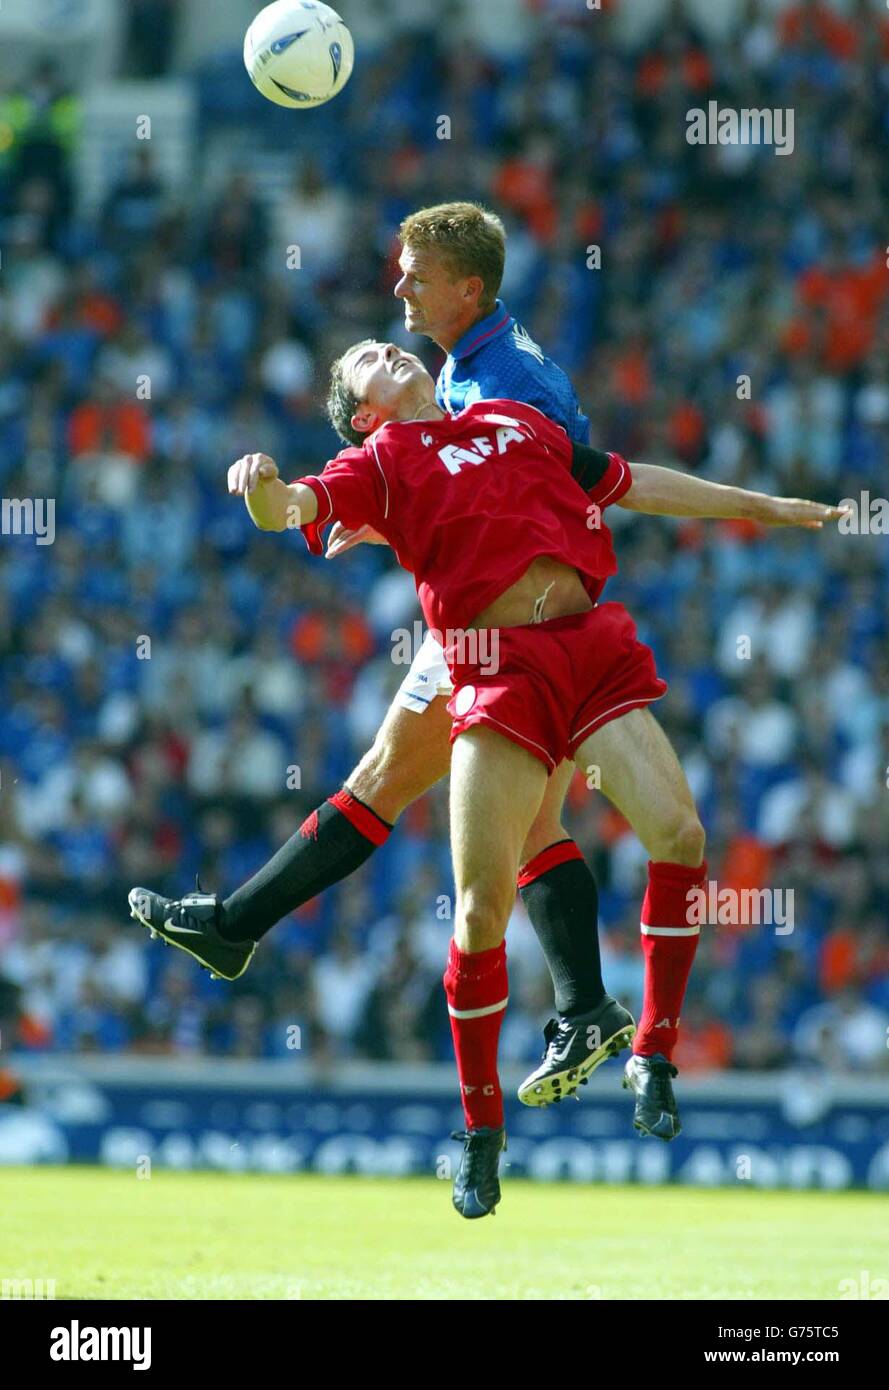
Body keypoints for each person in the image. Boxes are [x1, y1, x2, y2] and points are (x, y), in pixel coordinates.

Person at [129, 341, 844, 1216]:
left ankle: (650, 1054)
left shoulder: (510, 420)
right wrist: (260, 486)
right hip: (495, 669)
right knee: (476, 907)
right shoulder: (379, 461)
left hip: (588, 648)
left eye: (389, 340)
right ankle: (480, 1128)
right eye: (365, 361)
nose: (388, 346)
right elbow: (293, 509)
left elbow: (627, 481)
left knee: (681, 836)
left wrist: (753, 505)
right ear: (362, 412)